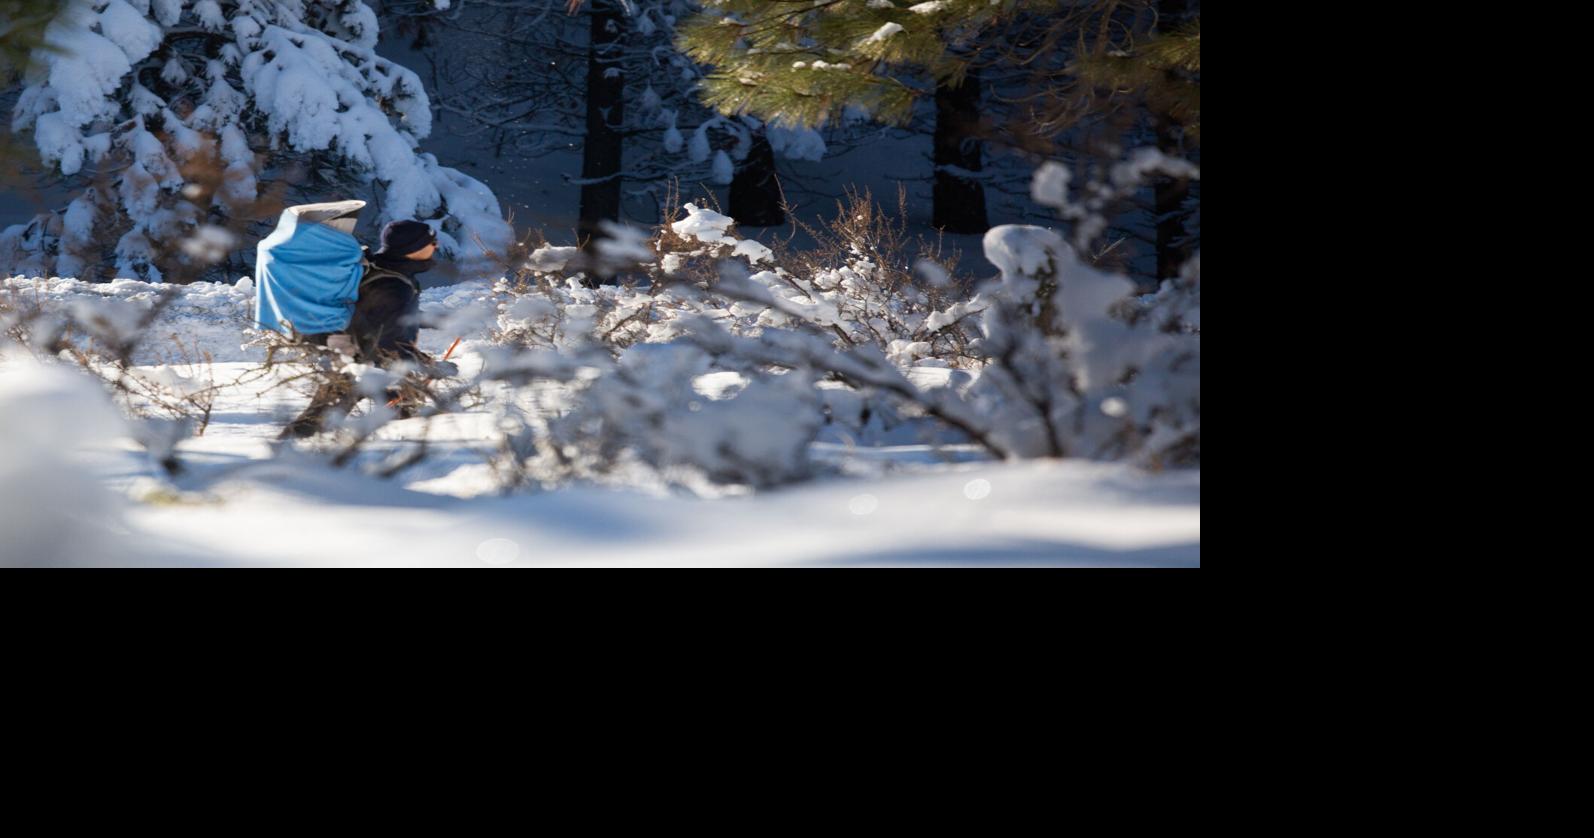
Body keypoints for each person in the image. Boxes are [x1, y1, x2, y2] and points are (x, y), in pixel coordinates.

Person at [280, 220, 456, 440]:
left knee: (406, 412)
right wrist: (430, 366)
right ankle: (281, 461)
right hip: (357, 365)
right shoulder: (393, 286)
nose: (436, 246)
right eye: (432, 241)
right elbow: (385, 343)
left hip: (362, 360)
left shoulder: (385, 270)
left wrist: (435, 320)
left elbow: (388, 318)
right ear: (414, 248)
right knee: (313, 424)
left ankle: (398, 459)